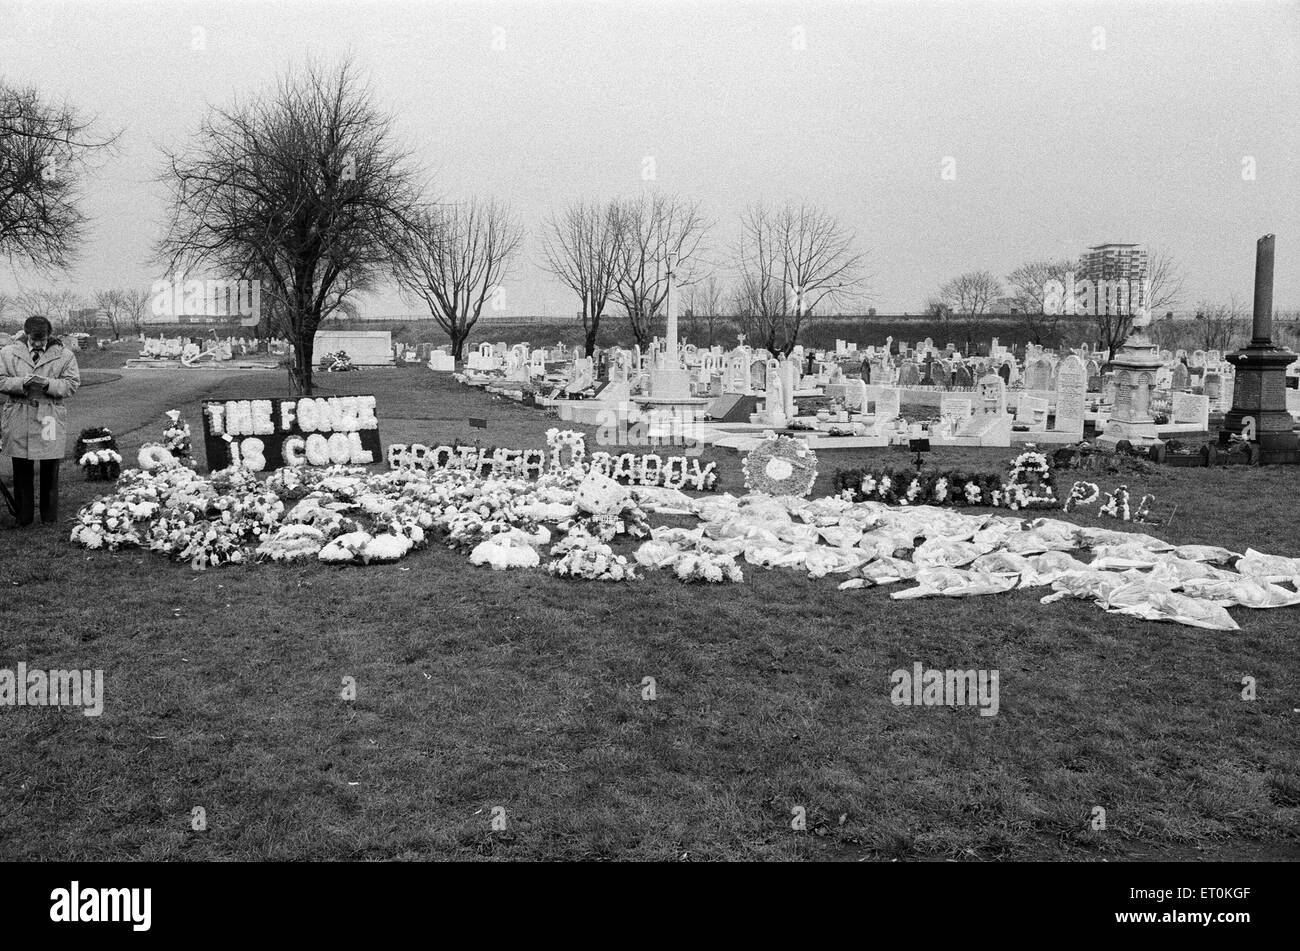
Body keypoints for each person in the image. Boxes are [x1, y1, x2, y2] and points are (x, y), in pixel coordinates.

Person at [0, 315, 81, 526]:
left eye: (42, 339)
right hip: (19, 414)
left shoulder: (65, 355)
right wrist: (21, 383)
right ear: (25, 334)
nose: (38, 343)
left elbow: (72, 384)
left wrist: (48, 384)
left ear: (49, 335)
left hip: (49, 417)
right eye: (34, 339)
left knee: (49, 467)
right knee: (21, 468)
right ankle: (23, 517)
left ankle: (49, 517)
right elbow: (0, 380)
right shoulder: (8, 353)